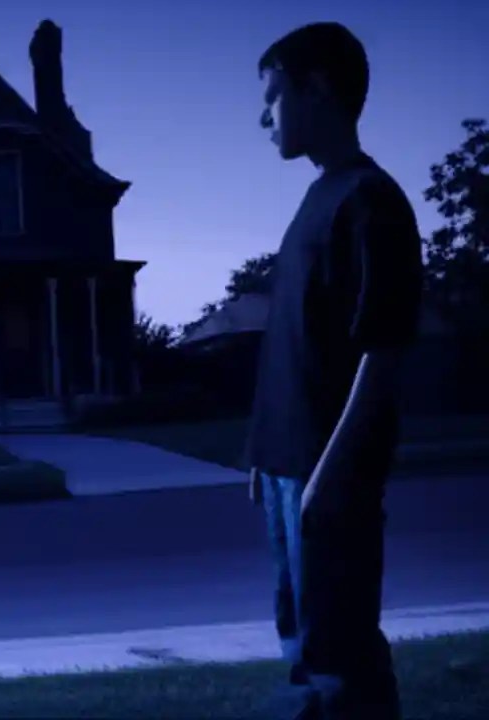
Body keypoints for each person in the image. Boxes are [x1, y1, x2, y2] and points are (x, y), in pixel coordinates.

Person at [244, 21, 424, 720]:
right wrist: (264, 453)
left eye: (274, 95)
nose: (264, 115)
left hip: (328, 475)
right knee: (306, 645)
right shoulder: (315, 199)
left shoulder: (370, 200)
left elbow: (382, 353)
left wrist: (332, 470)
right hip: (289, 467)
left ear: (317, 88)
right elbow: (294, 341)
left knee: (336, 660)